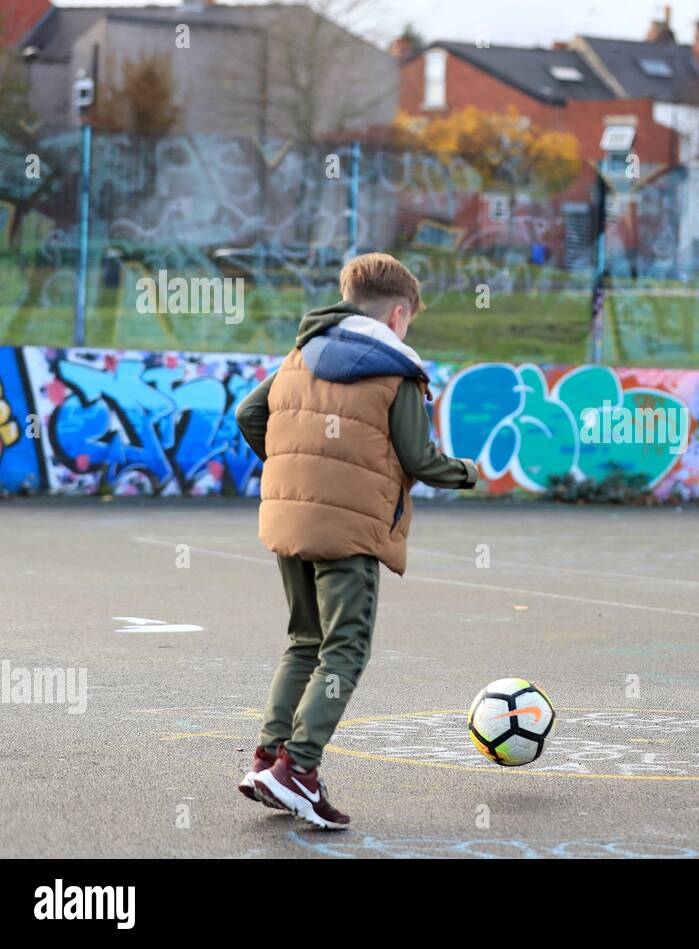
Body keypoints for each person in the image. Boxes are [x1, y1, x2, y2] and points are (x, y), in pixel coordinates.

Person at [234, 252, 478, 829]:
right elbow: (420, 458)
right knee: (345, 649)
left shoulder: (301, 354)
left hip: (289, 518)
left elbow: (249, 413)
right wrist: (468, 471)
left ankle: (270, 757)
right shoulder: (398, 372)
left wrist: (297, 471)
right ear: (397, 315)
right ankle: (300, 770)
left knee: (304, 640)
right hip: (351, 530)